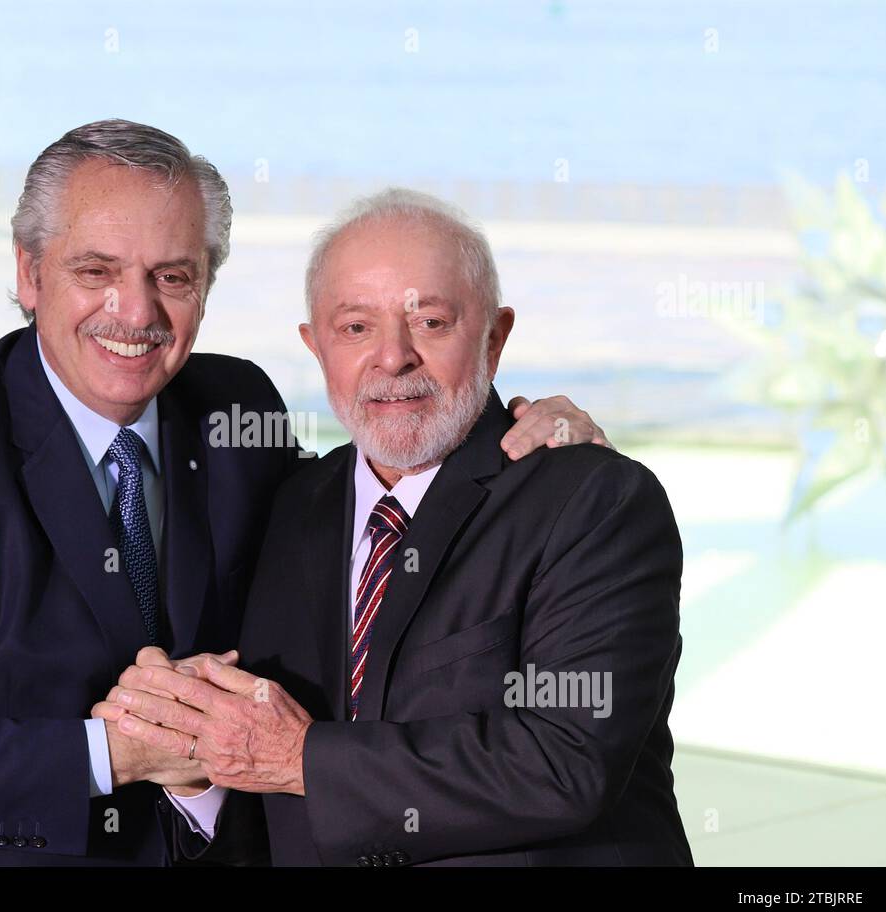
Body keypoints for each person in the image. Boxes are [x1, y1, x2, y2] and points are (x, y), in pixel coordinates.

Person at [0, 120, 607, 865]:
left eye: (172, 275)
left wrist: (519, 428)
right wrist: (117, 751)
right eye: (96, 271)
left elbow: (368, 500)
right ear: (29, 272)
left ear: (207, 285)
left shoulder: (234, 410)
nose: (135, 310)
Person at [100, 187, 692, 866]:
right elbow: (270, 790)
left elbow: (566, 762)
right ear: (315, 345)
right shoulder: (288, 509)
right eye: (355, 327)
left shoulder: (594, 499)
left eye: (431, 323)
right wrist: (200, 769)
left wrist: (301, 758)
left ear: (494, 338)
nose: (392, 357)